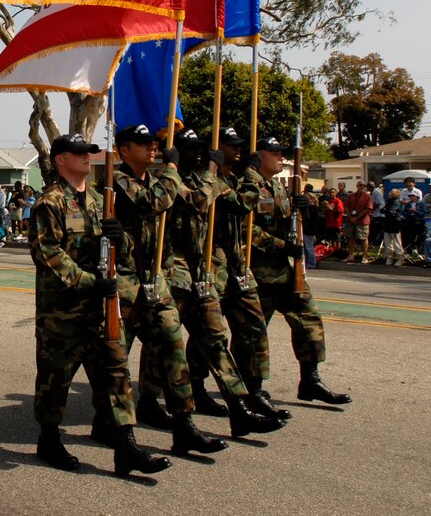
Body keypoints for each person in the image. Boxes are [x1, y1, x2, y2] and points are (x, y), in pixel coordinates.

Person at [30, 133, 171, 475]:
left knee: (115, 375)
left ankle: (126, 446)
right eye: (79, 153)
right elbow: (48, 255)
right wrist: (93, 282)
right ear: (60, 159)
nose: (86, 157)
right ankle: (49, 439)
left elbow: (122, 251)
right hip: (63, 313)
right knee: (55, 380)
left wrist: (120, 238)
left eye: (89, 152)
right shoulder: (49, 203)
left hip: (101, 310)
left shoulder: (98, 200)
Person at [138, 129, 284, 439]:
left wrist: (246, 173)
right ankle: (149, 400)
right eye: (191, 150)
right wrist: (210, 170)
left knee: (215, 338)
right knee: (160, 342)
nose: (200, 155)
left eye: (203, 150)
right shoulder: (170, 180)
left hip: (202, 270)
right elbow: (199, 202)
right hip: (173, 269)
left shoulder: (207, 177)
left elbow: (242, 203)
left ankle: (239, 408)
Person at [92, 124, 225, 455]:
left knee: (172, 348)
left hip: (155, 280)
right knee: (115, 359)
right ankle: (111, 425)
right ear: (123, 151)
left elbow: (192, 203)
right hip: (123, 284)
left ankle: (185, 426)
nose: (153, 147)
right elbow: (155, 203)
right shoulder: (117, 182)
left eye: (154, 142)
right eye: (143, 143)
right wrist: (174, 169)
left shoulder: (153, 179)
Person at [250, 135, 352, 406]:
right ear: (259, 154)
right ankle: (253, 388)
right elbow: (247, 231)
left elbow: (291, 225)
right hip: (260, 273)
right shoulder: (248, 184)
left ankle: (310, 379)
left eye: (282, 152)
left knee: (309, 320)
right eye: (274, 152)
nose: (280, 156)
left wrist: (306, 210)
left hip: (287, 272)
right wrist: (281, 246)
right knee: (254, 333)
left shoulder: (279, 187)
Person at [211, 127, 290, 422]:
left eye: (239, 145)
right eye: (231, 146)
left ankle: (254, 391)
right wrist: (254, 176)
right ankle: (196, 389)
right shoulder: (216, 180)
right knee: (209, 337)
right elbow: (244, 203)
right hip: (214, 266)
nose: (238, 150)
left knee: (254, 328)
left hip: (237, 265)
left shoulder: (234, 177)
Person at [345, 180, 373, 263]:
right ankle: (350, 255)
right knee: (350, 237)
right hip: (351, 220)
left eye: (364, 185)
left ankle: (364, 256)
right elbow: (346, 206)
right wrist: (350, 217)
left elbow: (368, 208)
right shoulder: (351, 196)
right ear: (357, 186)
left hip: (362, 221)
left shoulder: (367, 196)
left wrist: (357, 217)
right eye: (361, 185)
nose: (362, 187)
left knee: (363, 238)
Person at [381, 189, 405, 267]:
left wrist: (386, 210)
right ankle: (389, 258)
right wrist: (386, 210)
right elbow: (382, 210)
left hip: (395, 224)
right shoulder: (388, 202)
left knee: (396, 242)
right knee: (388, 242)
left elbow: (391, 212)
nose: (389, 193)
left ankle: (400, 258)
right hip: (387, 224)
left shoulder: (396, 202)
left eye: (391, 192)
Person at [368, 182, 385, 246]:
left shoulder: (377, 193)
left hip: (379, 214)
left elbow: (377, 203)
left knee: (377, 230)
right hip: (374, 214)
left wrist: (370, 210)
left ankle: (377, 243)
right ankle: (373, 242)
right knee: (373, 230)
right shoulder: (371, 193)